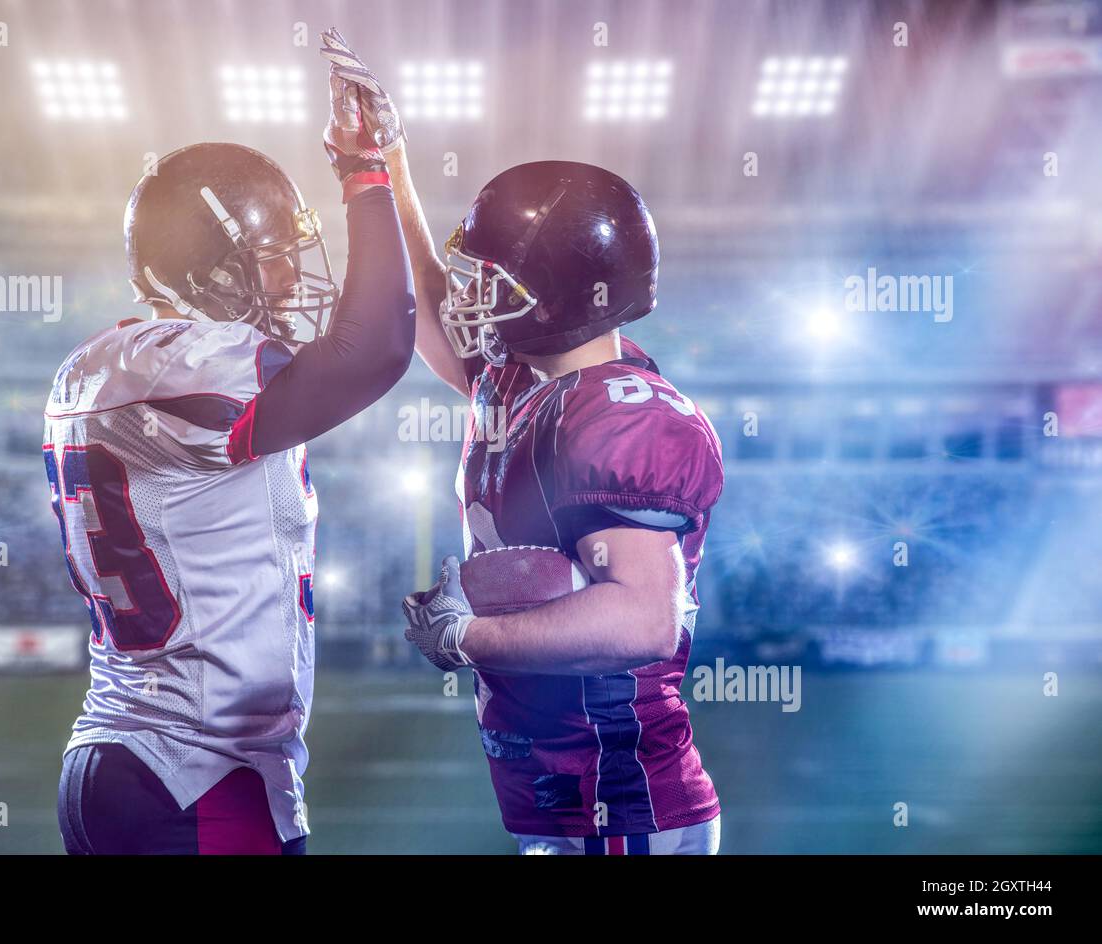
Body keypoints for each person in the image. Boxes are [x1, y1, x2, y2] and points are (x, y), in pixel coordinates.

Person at [322, 31, 724, 855]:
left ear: (561, 297)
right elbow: (427, 297)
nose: (472, 296)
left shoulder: (627, 418)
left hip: (623, 805)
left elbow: (643, 619)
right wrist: (382, 163)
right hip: (562, 799)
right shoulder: (513, 378)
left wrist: (468, 637)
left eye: (495, 284)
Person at [44, 64, 415, 854]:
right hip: (197, 776)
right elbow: (377, 348)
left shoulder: (97, 366)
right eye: (273, 254)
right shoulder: (190, 365)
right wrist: (365, 170)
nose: (289, 275)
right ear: (205, 262)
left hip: (123, 757)